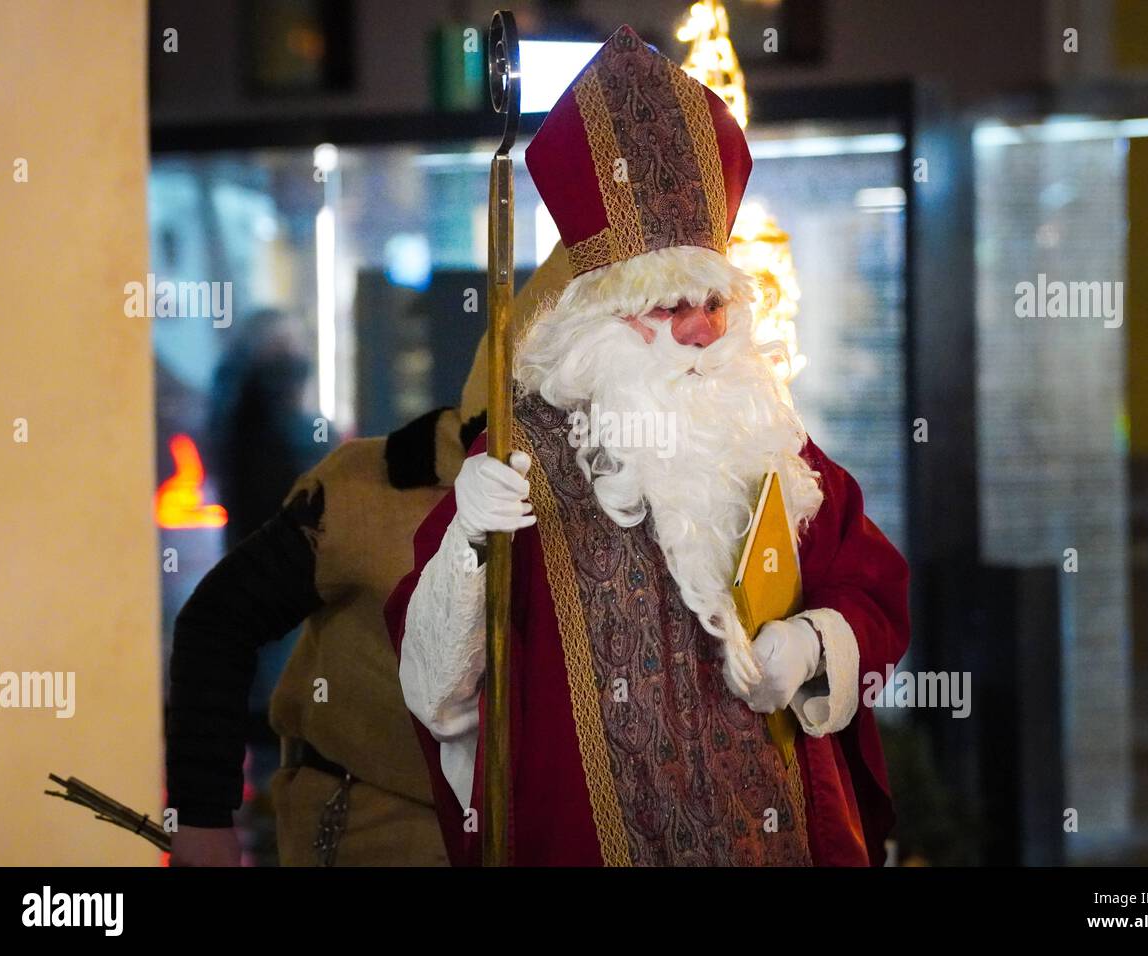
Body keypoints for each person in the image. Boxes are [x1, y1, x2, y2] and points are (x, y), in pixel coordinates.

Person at [387, 25, 910, 867]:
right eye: (669, 306)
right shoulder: (517, 460)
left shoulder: (770, 438)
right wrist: (463, 549)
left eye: (716, 302)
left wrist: (815, 643)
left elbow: (875, 590)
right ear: (599, 321)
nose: (702, 331)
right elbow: (434, 695)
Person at [167, 245, 571, 866]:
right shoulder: (370, 487)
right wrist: (202, 820)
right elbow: (219, 622)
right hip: (372, 836)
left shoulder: (621, 519)